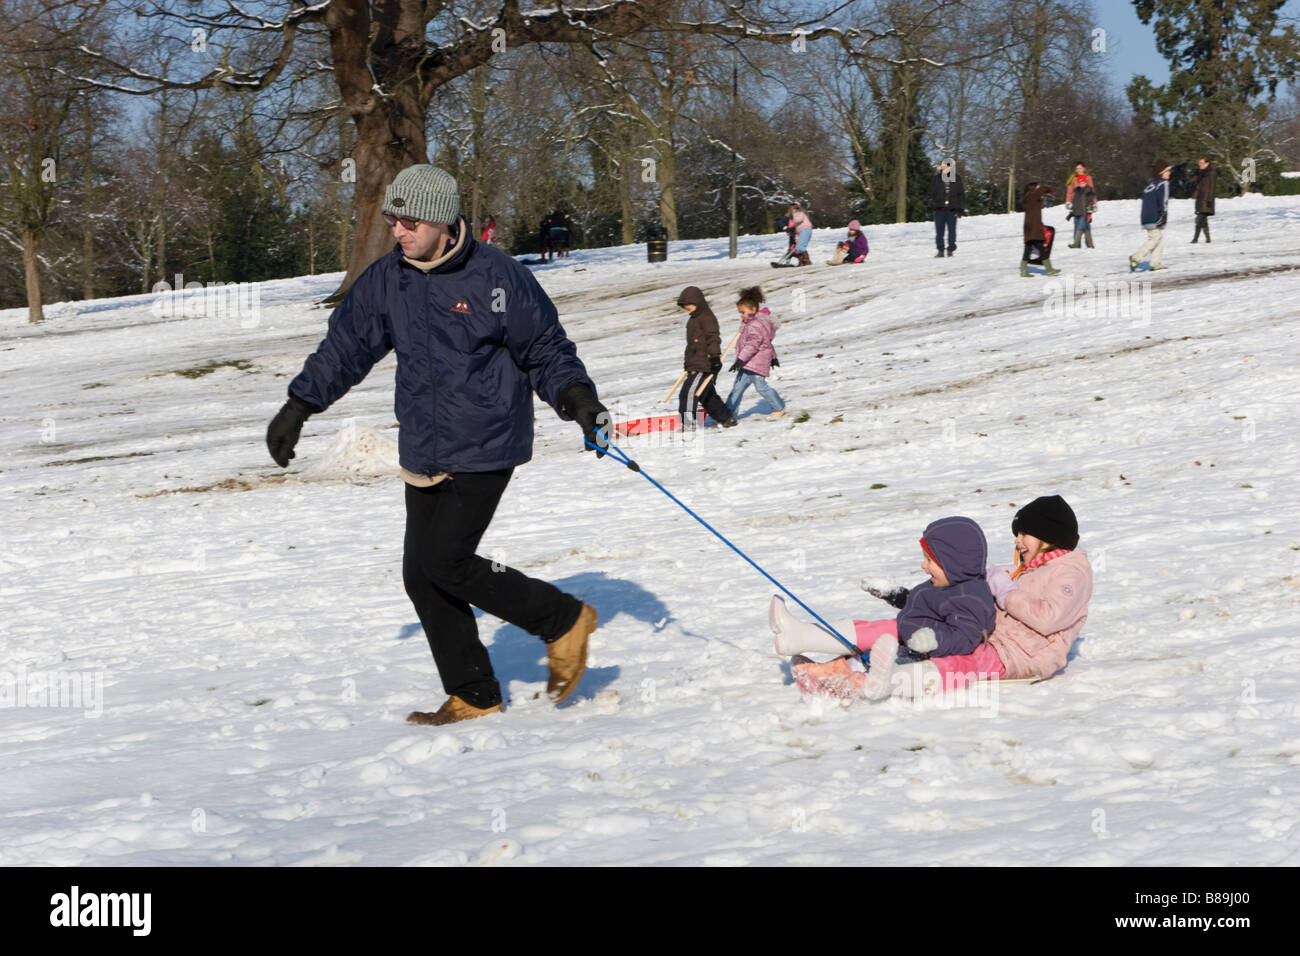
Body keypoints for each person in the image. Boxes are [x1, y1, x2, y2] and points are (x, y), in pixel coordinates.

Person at [265, 165, 609, 727]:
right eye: (393, 220)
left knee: (445, 561)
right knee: (420, 575)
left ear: (444, 221)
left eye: (410, 221)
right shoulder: (386, 280)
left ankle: (563, 619)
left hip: (486, 441)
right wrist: (299, 405)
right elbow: (346, 348)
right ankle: (474, 692)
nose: (398, 231)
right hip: (424, 446)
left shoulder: (498, 278)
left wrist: (577, 398)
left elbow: (544, 347)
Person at [772, 495, 1092, 702]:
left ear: (1050, 537)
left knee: (959, 663)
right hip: (988, 636)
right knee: (903, 626)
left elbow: (1049, 618)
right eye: (1017, 535)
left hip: (1021, 657)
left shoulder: (1071, 574)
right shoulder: (1027, 569)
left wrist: (1006, 591)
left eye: (1025, 534)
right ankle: (801, 638)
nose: (1018, 541)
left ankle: (865, 685)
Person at [772, 516, 995, 697]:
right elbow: (921, 606)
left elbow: (966, 636)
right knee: (873, 640)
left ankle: (835, 681)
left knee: (883, 659)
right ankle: (808, 650)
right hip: (907, 636)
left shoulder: (970, 596)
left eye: (930, 561)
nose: (923, 566)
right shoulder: (944, 584)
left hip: (922, 652)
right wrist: (895, 595)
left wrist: (934, 640)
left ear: (952, 562)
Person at [676, 286, 738, 429]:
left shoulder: (707, 318)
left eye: (689, 304)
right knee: (706, 395)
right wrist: (688, 362)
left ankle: (688, 423)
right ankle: (726, 418)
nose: (687, 308)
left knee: (688, 394)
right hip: (695, 363)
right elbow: (692, 344)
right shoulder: (693, 319)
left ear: (698, 302)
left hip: (703, 365)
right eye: (685, 306)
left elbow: (713, 338)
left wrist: (715, 358)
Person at [724, 285, 785, 419]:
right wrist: (773, 357)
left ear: (753, 309)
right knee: (737, 389)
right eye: (739, 312)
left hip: (756, 363)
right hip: (747, 363)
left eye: (742, 312)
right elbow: (767, 343)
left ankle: (779, 407)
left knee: (761, 387)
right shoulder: (750, 323)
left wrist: (740, 359)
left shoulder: (755, 325)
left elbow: (753, 344)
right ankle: (729, 414)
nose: (740, 315)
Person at [1131, 160, 1171, 272]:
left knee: (1158, 238)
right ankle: (1136, 257)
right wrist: (1163, 216)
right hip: (1155, 216)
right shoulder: (1164, 183)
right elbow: (1164, 201)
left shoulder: (1151, 184)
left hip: (1145, 217)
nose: (1169, 173)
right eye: (1167, 171)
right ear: (1161, 172)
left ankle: (1155, 263)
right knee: (1156, 238)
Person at [1020, 181, 1059, 276]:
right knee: (1041, 247)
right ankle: (1049, 269)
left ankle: (1024, 270)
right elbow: (1041, 190)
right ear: (1034, 189)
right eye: (1038, 186)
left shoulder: (1028, 197)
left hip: (1029, 226)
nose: (1040, 187)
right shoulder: (1032, 196)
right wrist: (1049, 189)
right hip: (1034, 226)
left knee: (1028, 248)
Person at [928, 160, 965, 257]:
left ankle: (950, 250)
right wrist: (931, 205)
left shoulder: (957, 178)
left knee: (952, 231)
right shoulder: (936, 179)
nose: (942, 167)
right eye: (942, 166)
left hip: (952, 210)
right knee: (939, 232)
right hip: (939, 209)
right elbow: (931, 193)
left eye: (945, 166)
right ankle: (940, 250)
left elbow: (961, 194)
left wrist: (960, 209)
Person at [1064, 161, 1098, 248]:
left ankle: (1082, 244)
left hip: (1085, 204)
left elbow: (1091, 191)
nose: (1078, 170)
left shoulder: (1088, 178)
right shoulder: (1073, 178)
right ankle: (1081, 245)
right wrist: (1068, 202)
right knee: (1079, 224)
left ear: (1084, 168)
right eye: (1077, 168)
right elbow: (1069, 192)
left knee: (1082, 224)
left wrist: (1094, 204)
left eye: (1080, 168)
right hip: (1076, 204)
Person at [1192, 157, 1216, 243]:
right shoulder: (1200, 173)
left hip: (1206, 200)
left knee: (1199, 220)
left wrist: (1210, 200)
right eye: (1199, 163)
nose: (1200, 164)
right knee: (1203, 221)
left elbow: (1212, 187)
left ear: (1207, 163)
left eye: (1201, 163)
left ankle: (1195, 239)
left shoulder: (1211, 173)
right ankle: (1208, 239)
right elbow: (1197, 185)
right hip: (1200, 199)